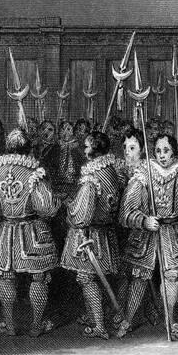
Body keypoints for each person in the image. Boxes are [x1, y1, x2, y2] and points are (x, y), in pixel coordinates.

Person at [116, 132, 178, 340]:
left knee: (172, 278)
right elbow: (126, 210)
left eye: (166, 151)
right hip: (147, 235)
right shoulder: (143, 173)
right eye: (158, 151)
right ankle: (128, 319)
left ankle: (171, 320)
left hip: (173, 234)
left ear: (174, 152)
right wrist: (144, 220)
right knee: (139, 278)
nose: (162, 155)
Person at [0, 128, 61, 337]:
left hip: (6, 231)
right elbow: (48, 208)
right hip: (33, 231)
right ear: (27, 147)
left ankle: (9, 324)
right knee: (38, 278)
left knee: (5, 277)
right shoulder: (34, 170)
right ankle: (36, 325)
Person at [60, 130, 123, 338]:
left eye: (87, 146)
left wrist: (69, 206)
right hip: (105, 233)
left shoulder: (91, 177)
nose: (84, 149)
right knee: (91, 277)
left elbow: (81, 216)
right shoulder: (111, 171)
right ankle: (92, 315)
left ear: (94, 149)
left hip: (89, 237)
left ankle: (99, 325)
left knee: (87, 278)